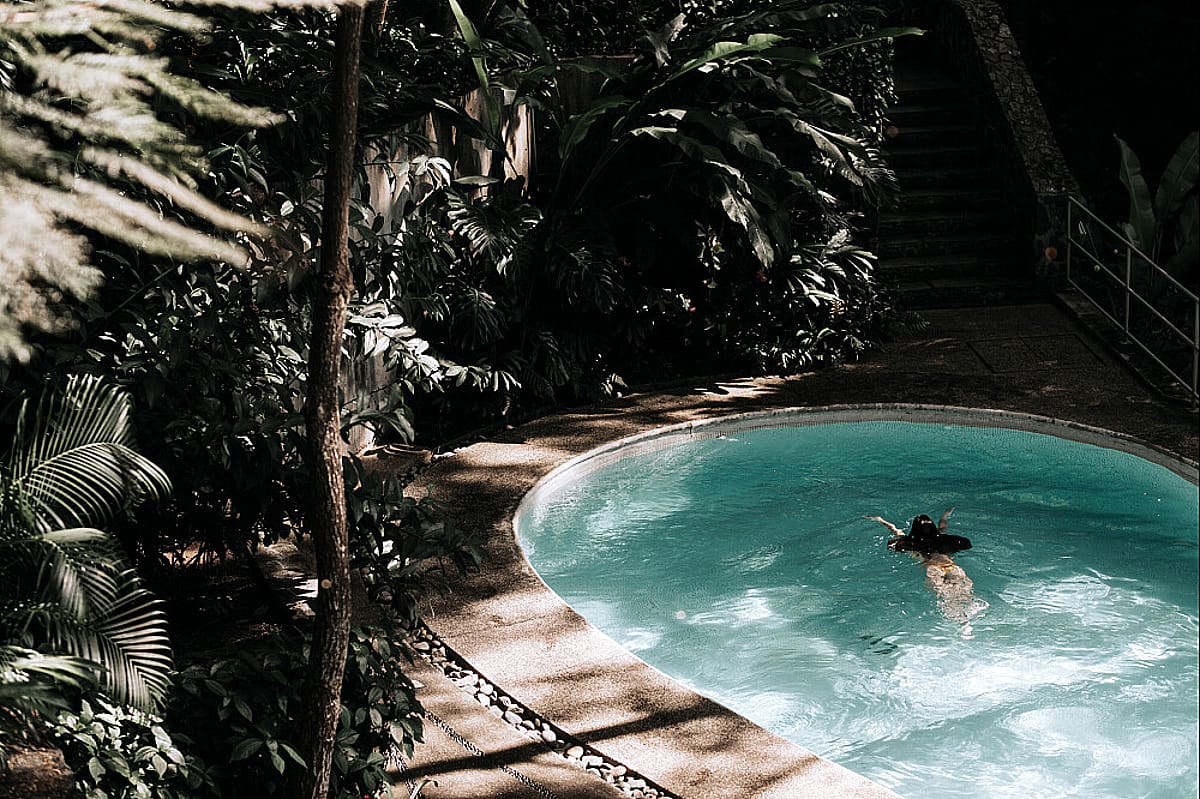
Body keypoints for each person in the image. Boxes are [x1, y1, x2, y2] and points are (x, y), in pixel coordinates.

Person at [867, 508, 984, 627]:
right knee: (965, 592)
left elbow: (894, 530)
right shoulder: (941, 537)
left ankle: (960, 623)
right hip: (951, 566)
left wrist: (880, 520)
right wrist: (945, 515)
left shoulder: (909, 542)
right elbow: (943, 525)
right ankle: (967, 621)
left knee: (943, 595)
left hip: (933, 568)